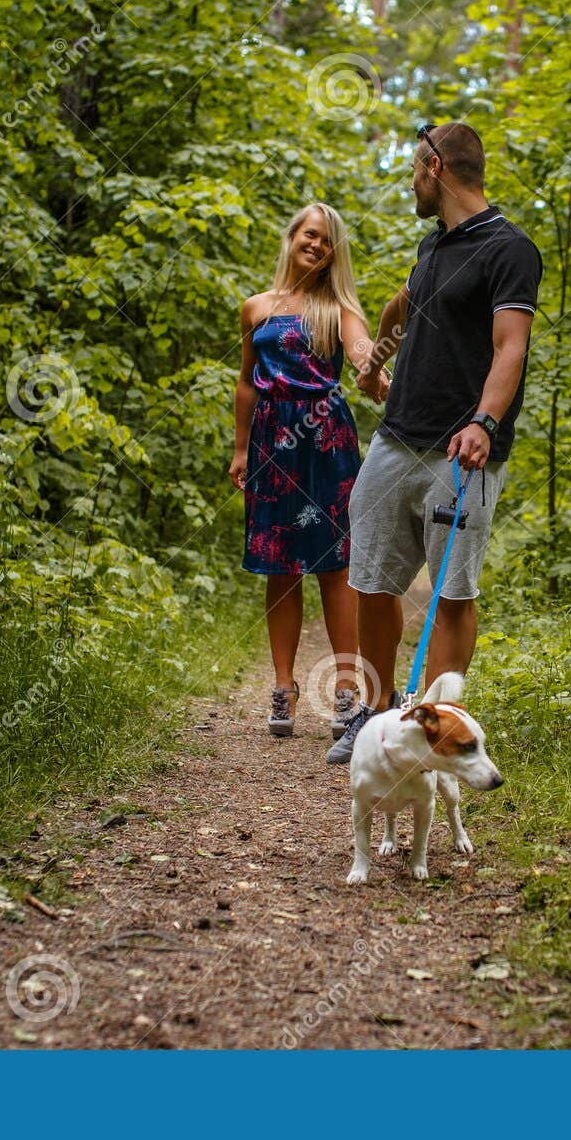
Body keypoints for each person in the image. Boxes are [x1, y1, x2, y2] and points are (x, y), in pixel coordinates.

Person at [325, 123, 542, 765]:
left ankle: (443, 729)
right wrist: (373, 363)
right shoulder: (433, 246)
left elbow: (512, 348)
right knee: (370, 581)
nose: (411, 183)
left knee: (452, 594)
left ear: (435, 167)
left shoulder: (510, 249)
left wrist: (484, 423)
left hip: (462, 449)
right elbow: (404, 304)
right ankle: (376, 709)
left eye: (414, 171)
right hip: (396, 439)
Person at [231, 203, 372, 739]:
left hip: (326, 440)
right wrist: (242, 449)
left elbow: (362, 354)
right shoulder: (256, 308)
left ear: (334, 253)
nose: (316, 245)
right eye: (309, 235)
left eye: (327, 241)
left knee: (336, 566)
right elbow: (247, 381)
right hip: (271, 442)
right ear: (293, 238)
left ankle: (345, 690)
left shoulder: (337, 309)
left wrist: (373, 369)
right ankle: (284, 687)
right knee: (280, 567)